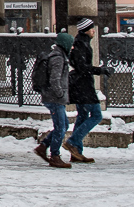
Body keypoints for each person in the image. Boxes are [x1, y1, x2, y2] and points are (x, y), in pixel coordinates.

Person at [65, 18, 110, 163]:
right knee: (96, 115)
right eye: (91, 28)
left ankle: (76, 152)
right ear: (86, 30)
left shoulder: (80, 43)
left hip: (81, 86)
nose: (94, 31)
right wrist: (100, 70)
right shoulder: (81, 45)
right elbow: (82, 68)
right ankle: (73, 141)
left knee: (83, 116)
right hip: (84, 87)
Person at [34, 31, 74, 168]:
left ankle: (43, 146)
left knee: (63, 126)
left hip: (53, 97)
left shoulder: (59, 55)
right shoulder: (58, 57)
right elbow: (55, 79)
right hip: (54, 98)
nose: (72, 47)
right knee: (61, 127)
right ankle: (55, 155)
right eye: (71, 44)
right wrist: (60, 94)